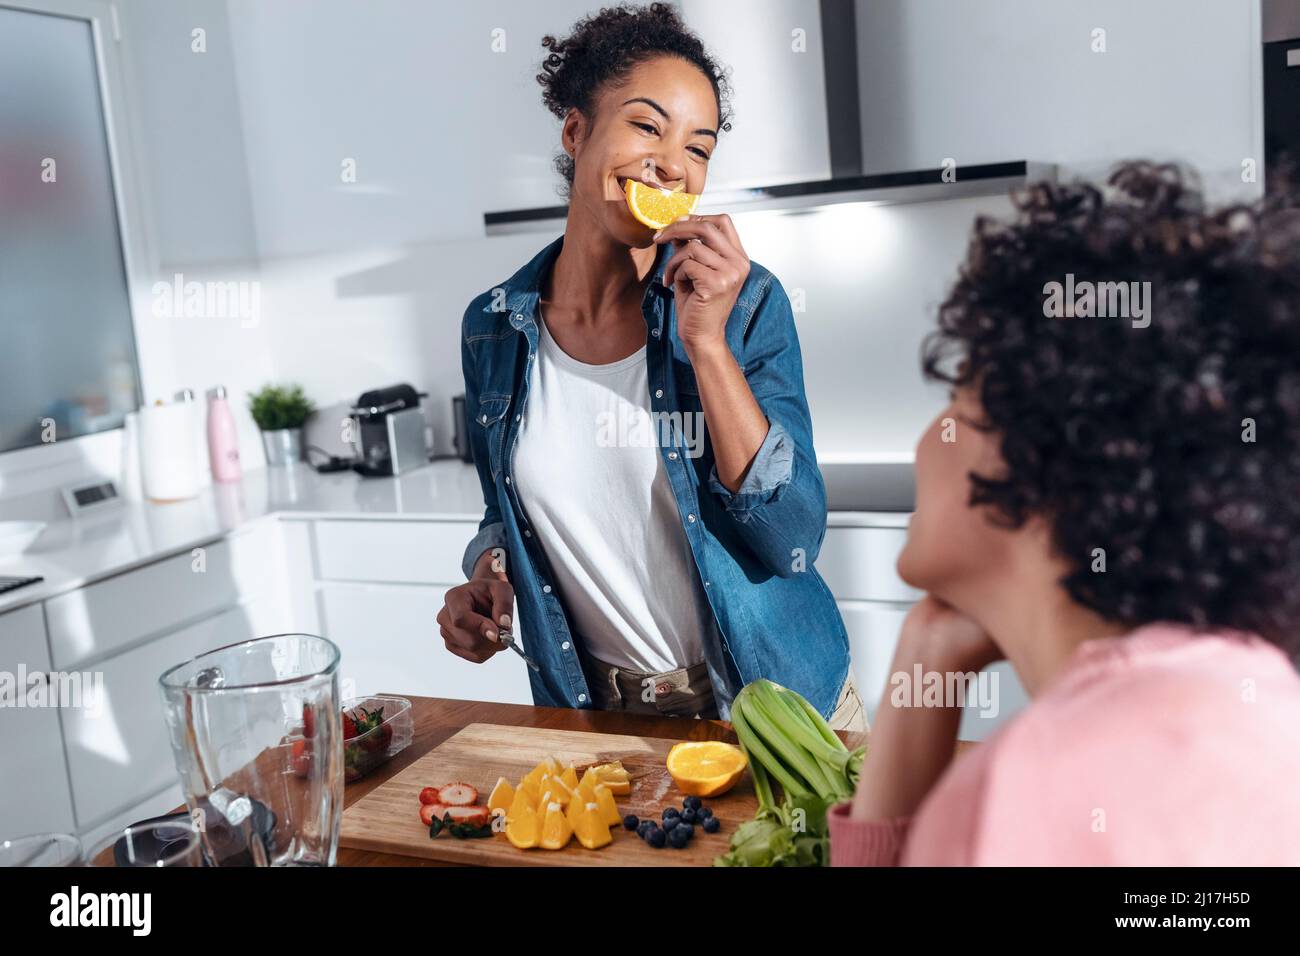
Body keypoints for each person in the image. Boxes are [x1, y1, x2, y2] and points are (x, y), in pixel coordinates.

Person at [830, 162, 1300, 865]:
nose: (929, 441)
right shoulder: (1258, 692)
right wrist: (927, 655)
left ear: (1035, 456)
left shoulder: (1027, 786)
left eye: (957, 407)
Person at [436, 3, 864, 730]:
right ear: (575, 131)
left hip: (781, 716)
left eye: (699, 148)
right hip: (600, 722)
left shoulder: (745, 302)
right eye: (647, 126)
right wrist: (487, 574)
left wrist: (707, 344)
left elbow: (793, 537)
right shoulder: (493, 329)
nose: (674, 163)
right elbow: (504, 508)